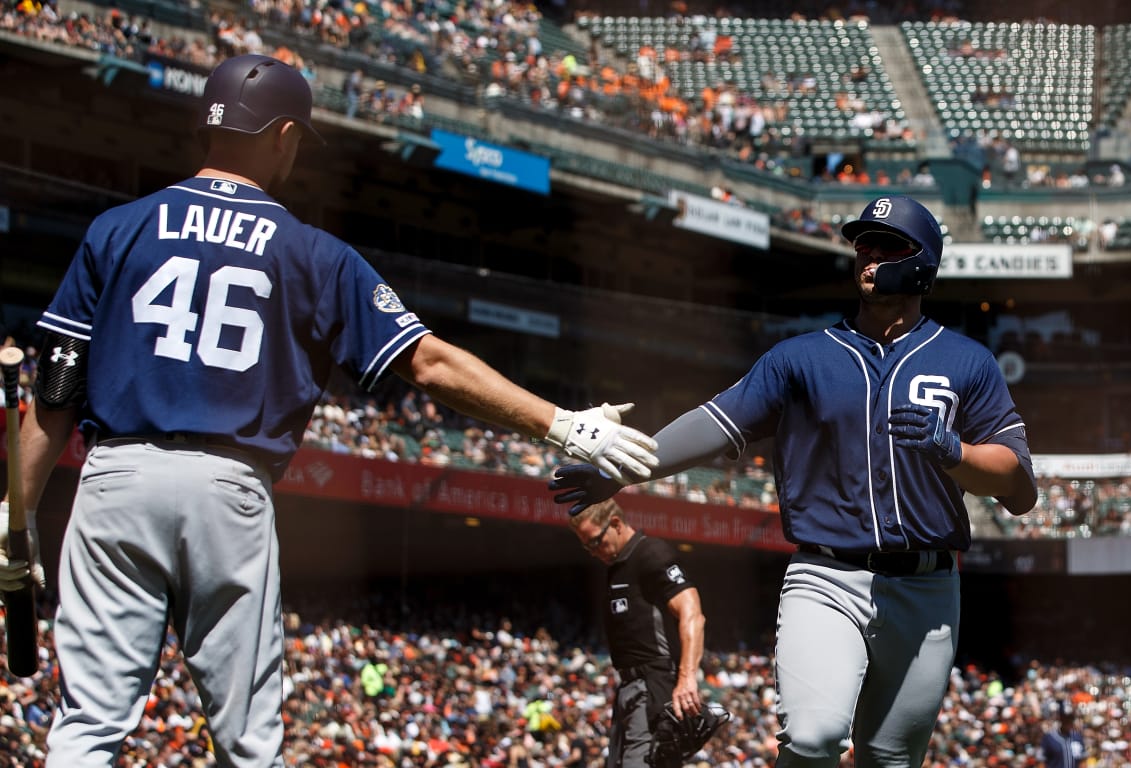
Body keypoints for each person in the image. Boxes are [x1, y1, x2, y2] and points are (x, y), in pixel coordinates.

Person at [0, 54, 658, 767]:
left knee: (87, 730)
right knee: (249, 745)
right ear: (284, 134)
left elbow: (57, 392)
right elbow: (430, 363)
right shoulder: (314, 253)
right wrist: (564, 423)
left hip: (115, 480)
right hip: (228, 487)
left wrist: (15, 521)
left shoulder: (117, 228)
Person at [550, 195, 1038, 767]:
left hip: (927, 588)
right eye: (863, 244)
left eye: (888, 245)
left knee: (890, 761)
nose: (870, 255)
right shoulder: (800, 358)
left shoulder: (967, 362)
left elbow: (1021, 488)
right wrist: (623, 467)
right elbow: (717, 420)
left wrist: (954, 453)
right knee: (811, 739)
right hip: (825, 574)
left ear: (923, 262)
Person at [569, 500, 714, 767]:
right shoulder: (618, 565)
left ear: (615, 524)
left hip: (652, 687)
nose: (592, 551)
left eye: (595, 542)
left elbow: (692, 612)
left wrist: (687, 679)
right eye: (586, 546)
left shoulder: (649, 553)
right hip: (628, 688)